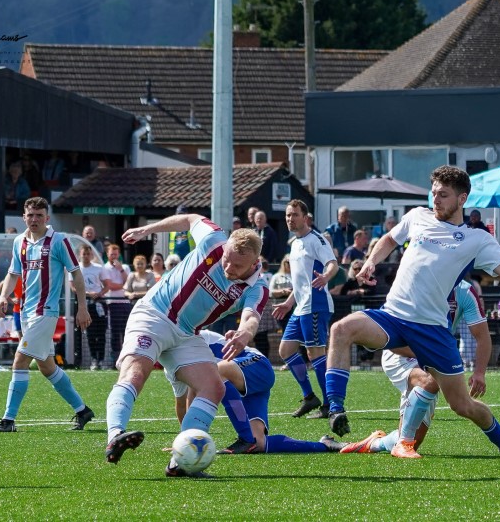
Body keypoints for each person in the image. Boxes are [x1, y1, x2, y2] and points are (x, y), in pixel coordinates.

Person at [324, 166, 500, 474]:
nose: (436, 199)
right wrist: (370, 261)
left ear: (462, 198)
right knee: (341, 329)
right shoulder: (417, 217)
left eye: (443, 194)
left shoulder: (477, 239)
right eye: (433, 192)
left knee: (463, 406)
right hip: (393, 317)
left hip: (432, 332)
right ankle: (335, 408)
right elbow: (388, 240)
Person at [104, 213, 269, 478]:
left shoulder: (257, 287)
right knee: (136, 372)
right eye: (226, 260)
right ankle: (115, 436)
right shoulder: (214, 239)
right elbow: (190, 219)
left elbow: (251, 317)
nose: (227, 269)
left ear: (254, 263)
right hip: (154, 314)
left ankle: (180, 462)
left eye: (237, 266)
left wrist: (244, 335)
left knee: (213, 386)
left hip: (187, 334)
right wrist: (148, 228)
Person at [340, 280, 491, 458]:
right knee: (430, 381)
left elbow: (483, 336)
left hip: (431, 358)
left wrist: (480, 372)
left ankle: (375, 442)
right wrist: (428, 353)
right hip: (399, 354)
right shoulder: (415, 281)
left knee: (415, 441)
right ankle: (403, 443)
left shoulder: (465, 291)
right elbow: (390, 341)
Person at [0, 197, 94, 433]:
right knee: (47, 368)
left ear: (47, 217)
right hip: (26, 313)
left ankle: (8, 420)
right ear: (23, 217)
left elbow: (76, 274)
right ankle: (82, 410)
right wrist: (4, 296)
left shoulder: (59, 241)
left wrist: (82, 307)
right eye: (30, 215)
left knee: (20, 361)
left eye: (39, 215)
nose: (34, 219)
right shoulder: (20, 242)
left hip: (45, 313)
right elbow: (13, 274)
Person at [174, 330, 345, 455]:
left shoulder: (189, 338)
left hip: (257, 366)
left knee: (216, 372)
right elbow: (185, 401)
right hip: (244, 384)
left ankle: (245, 439)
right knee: (259, 444)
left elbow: (198, 388)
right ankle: (324, 445)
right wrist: (187, 440)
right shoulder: (172, 366)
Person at [273, 199, 339, 420]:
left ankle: (330, 404)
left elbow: (332, 264)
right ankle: (310, 397)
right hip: (300, 307)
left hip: (316, 306)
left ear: (305, 217)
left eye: (294, 215)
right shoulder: (294, 243)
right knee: (286, 351)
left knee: (315, 353)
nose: (290, 219)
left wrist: (326, 277)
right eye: (288, 215)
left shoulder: (316, 240)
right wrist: (288, 303)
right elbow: (300, 283)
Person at [70, 244, 108, 368]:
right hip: (84, 304)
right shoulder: (76, 268)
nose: (86, 256)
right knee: (90, 333)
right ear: (80, 255)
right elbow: (73, 287)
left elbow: (107, 285)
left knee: (101, 333)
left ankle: (101, 360)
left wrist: (99, 294)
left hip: (98, 304)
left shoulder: (98, 268)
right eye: (84, 254)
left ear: (91, 255)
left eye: (88, 254)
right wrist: (87, 293)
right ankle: (93, 359)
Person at [101, 243, 132, 365]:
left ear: (118, 254)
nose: (113, 256)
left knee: (126, 330)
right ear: (107, 254)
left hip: (125, 302)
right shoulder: (104, 268)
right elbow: (110, 286)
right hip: (113, 303)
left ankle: (127, 355)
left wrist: (121, 270)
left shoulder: (125, 267)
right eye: (111, 254)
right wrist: (123, 285)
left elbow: (128, 281)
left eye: (115, 254)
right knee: (115, 332)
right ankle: (116, 357)